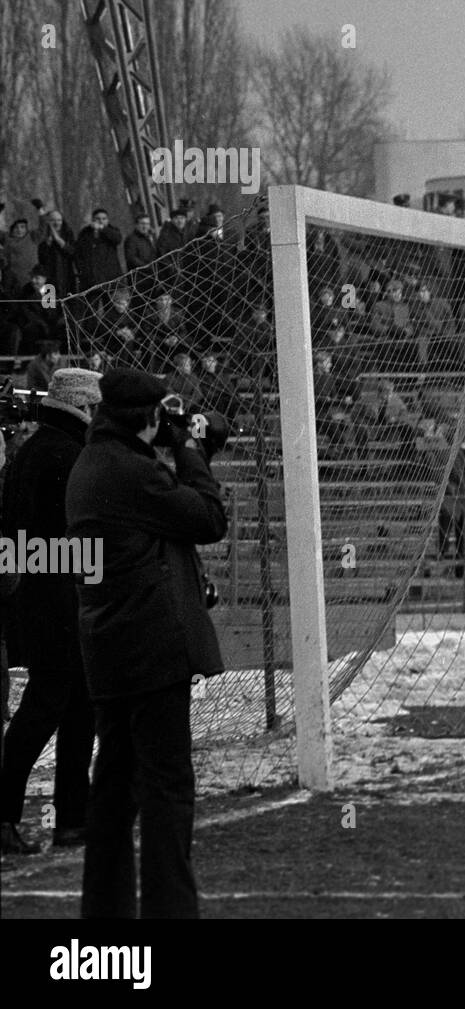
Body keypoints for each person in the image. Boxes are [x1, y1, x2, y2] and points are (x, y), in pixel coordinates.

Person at [65, 367, 227, 918]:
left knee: (114, 789)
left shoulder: (91, 464)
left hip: (108, 647)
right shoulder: (135, 473)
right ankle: (169, 909)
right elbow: (209, 518)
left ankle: (105, 912)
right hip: (152, 649)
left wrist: (186, 449)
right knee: (166, 789)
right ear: (153, 416)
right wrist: (190, 449)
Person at [0, 368, 102, 856]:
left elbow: (16, 542)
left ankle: (70, 820)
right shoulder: (68, 456)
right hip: (61, 600)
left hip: (38, 596)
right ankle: (16, 815)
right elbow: (76, 538)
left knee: (74, 706)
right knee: (47, 707)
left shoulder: (31, 452)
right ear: (82, 406)